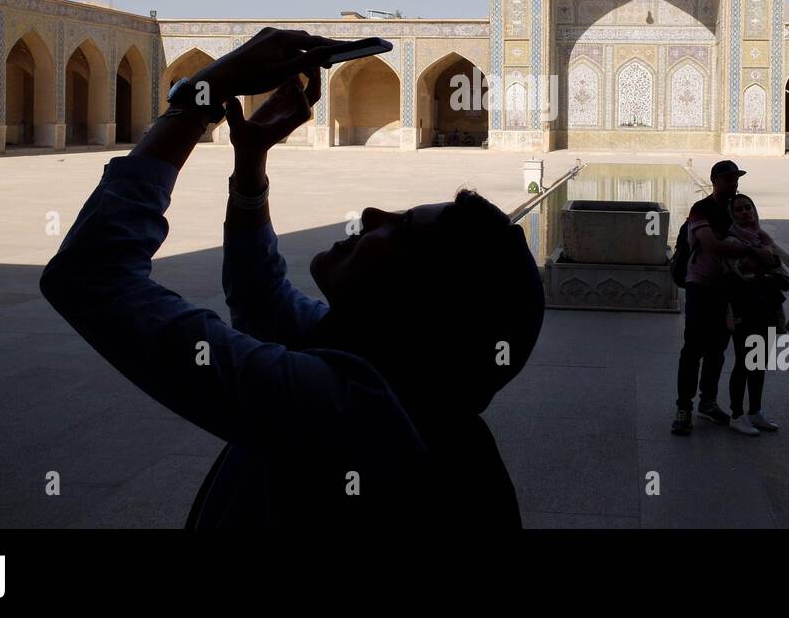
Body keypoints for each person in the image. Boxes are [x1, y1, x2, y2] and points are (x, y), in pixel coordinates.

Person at [40, 28, 546, 527]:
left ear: (421, 302)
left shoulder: (345, 412)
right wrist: (251, 163)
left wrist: (202, 97)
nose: (372, 213)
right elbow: (263, 299)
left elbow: (90, 275)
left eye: (402, 229)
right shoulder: (398, 380)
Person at [672, 160, 767, 435]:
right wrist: (750, 251)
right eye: (727, 179)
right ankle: (684, 407)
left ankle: (708, 402)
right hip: (701, 285)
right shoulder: (701, 209)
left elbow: (757, 235)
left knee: (717, 348)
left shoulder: (736, 208)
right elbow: (711, 246)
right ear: (714, 181)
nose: (733, 183)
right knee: (693, 349)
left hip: (728, 290)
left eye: (735, 178)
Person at [720, 193, 783, 436]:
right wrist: (761, 258)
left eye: (748, 208)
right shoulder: (731, 241)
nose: (745, 212)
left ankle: (755, 411)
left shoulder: (762, 237)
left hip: (765, 306)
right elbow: (740, 273)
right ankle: (737, 414)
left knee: (759, 362)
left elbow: (776, 263)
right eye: (739, 209)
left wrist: (760, 258)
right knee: (744, 361)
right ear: (732, 215)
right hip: (743, 308)